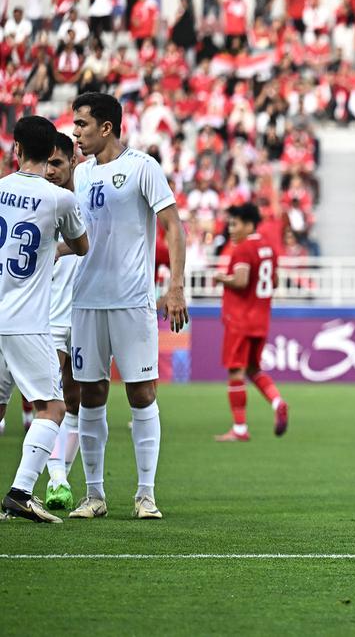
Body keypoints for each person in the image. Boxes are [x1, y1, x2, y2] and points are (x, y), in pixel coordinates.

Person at [66, 92, 188, 521]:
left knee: (142, 392)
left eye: (81, 125)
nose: (75, 133)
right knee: (90, 394)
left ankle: (145, 495)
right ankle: (94, 495)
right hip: (86, 300)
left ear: (106, 127)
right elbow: (79, 238)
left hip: (132, 301)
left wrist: (175, 286)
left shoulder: (142, 167)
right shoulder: (79, 176)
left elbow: (174, 225)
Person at [0, 116, 89, 524]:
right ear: (49, 152)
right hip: (26, 321)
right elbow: (82, 245)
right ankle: (20, 492)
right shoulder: (59, 199)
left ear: (17, 149)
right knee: (52, 407)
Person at [212, 203, 289, 442]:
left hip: (240, 320)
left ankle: (240, 429)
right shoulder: (270, 248)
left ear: (248, 224)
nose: (231, 230)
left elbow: (242, 280)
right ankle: (277, 402)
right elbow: (274, 282)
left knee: (236, 371)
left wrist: (221, 278)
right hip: (261, 319)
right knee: (254, 369)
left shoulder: (243, 249)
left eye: (235, 224)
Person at [40, 132, 86, 511]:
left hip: (88, 310)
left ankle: (59, 479)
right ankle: (53, 479)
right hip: (51, 312)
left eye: (57, 163)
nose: (50, 170)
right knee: (48, 398)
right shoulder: (40, 199)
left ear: (73, 160)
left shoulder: (89, 191)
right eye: (47, 163)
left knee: (75, 398)